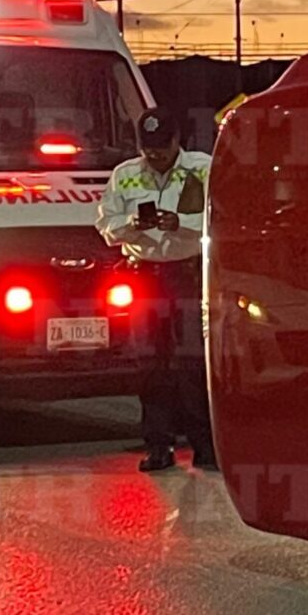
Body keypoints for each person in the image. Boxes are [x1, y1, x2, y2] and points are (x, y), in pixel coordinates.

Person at [95, 108, 215, 472]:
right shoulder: (126, 175)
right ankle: (158, 446)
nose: (155, 155)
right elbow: (106, 226)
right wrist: (132, 224)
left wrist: (183, 224)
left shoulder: (203, 168)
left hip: (188, 274)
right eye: (149, 148)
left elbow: (221, 215)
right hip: (144, 276)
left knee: (193, 363)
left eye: (162, 147)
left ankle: (205, 447)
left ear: (178, 140)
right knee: (150, 364)